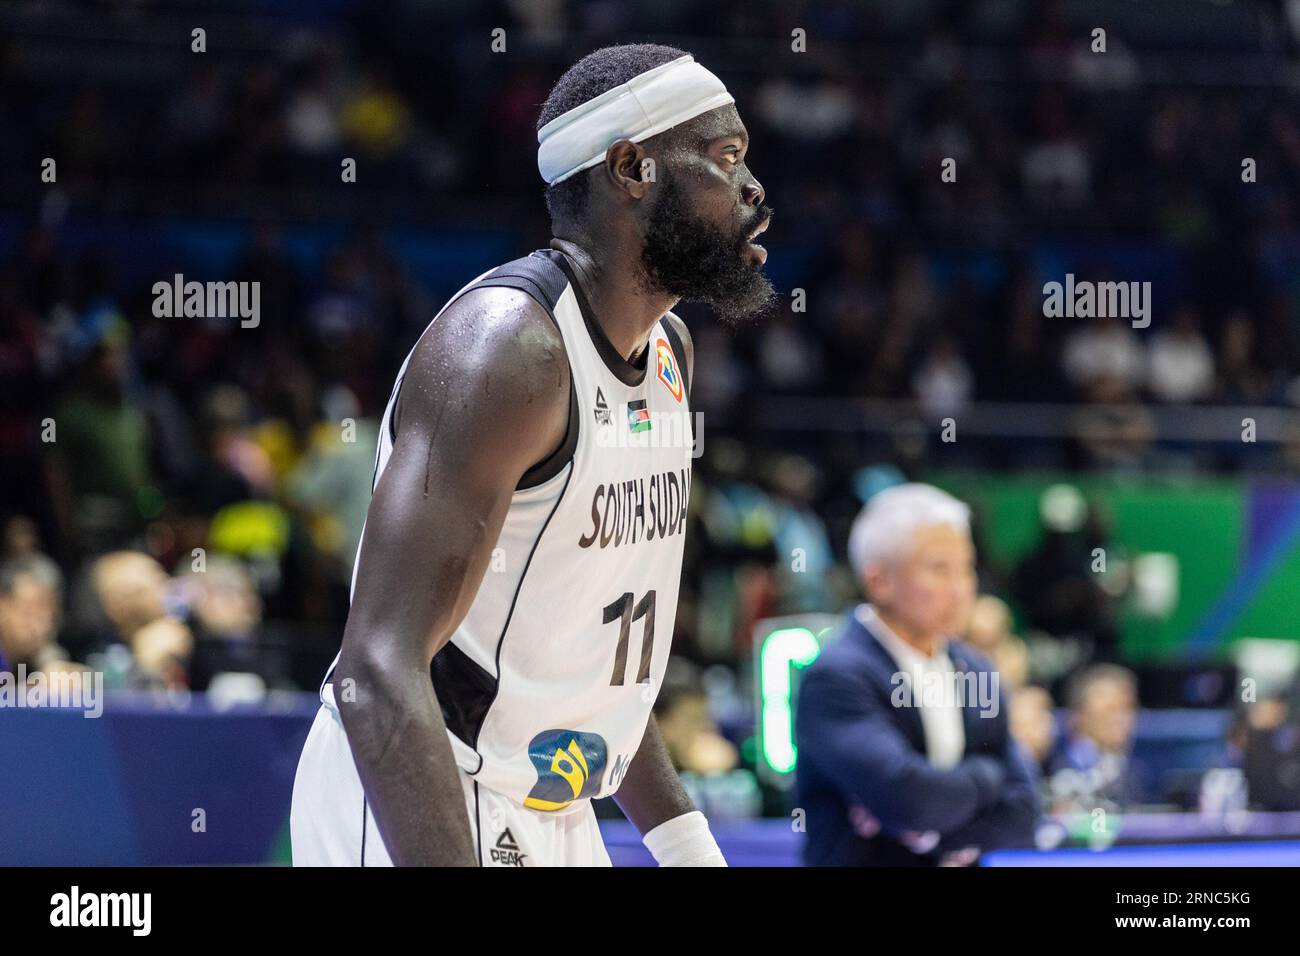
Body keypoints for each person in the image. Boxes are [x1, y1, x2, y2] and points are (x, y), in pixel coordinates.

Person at [291, 43, 776, 866]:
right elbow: (376, 669)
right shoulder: (508, 352)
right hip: (425, 789)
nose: (754, 190)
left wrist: (688, 846)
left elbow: (597, 660)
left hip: (552, 799)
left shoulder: (669, 354)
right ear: (632, 167)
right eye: (725, 158)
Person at [795, 483, 1041, 866]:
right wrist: (988, 777)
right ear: (880, 581)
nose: (961, 589)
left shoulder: (975, 669)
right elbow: (911, 798)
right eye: (940, 569)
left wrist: (928, 835)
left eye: (967, 567)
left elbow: (1025, 811)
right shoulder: (837, 676)